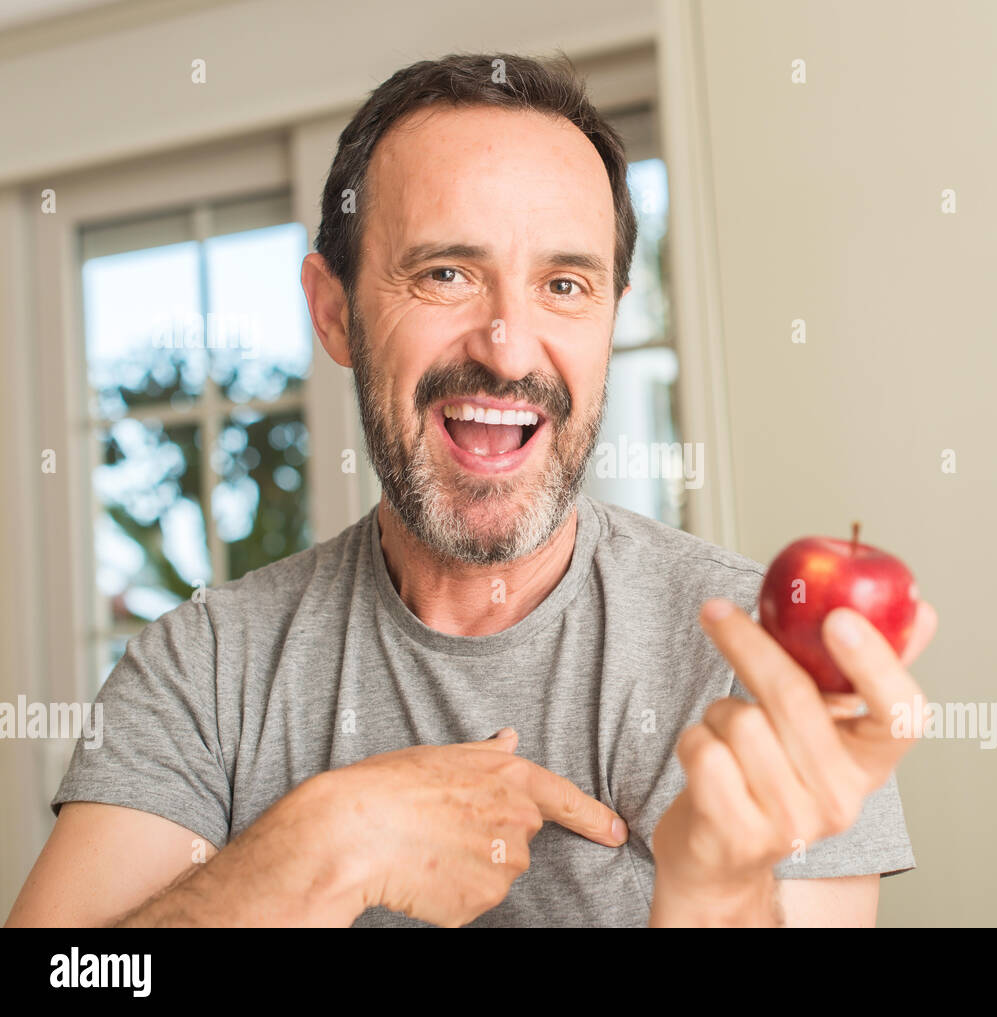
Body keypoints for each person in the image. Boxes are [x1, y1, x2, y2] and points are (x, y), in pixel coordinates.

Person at [7, 51, 935, 928]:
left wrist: (711, 894)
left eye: (566, 283)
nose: (507, 344)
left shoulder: (758, 668)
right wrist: (322, 844)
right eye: (447, 273)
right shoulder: (206, 667)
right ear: (334, 311)